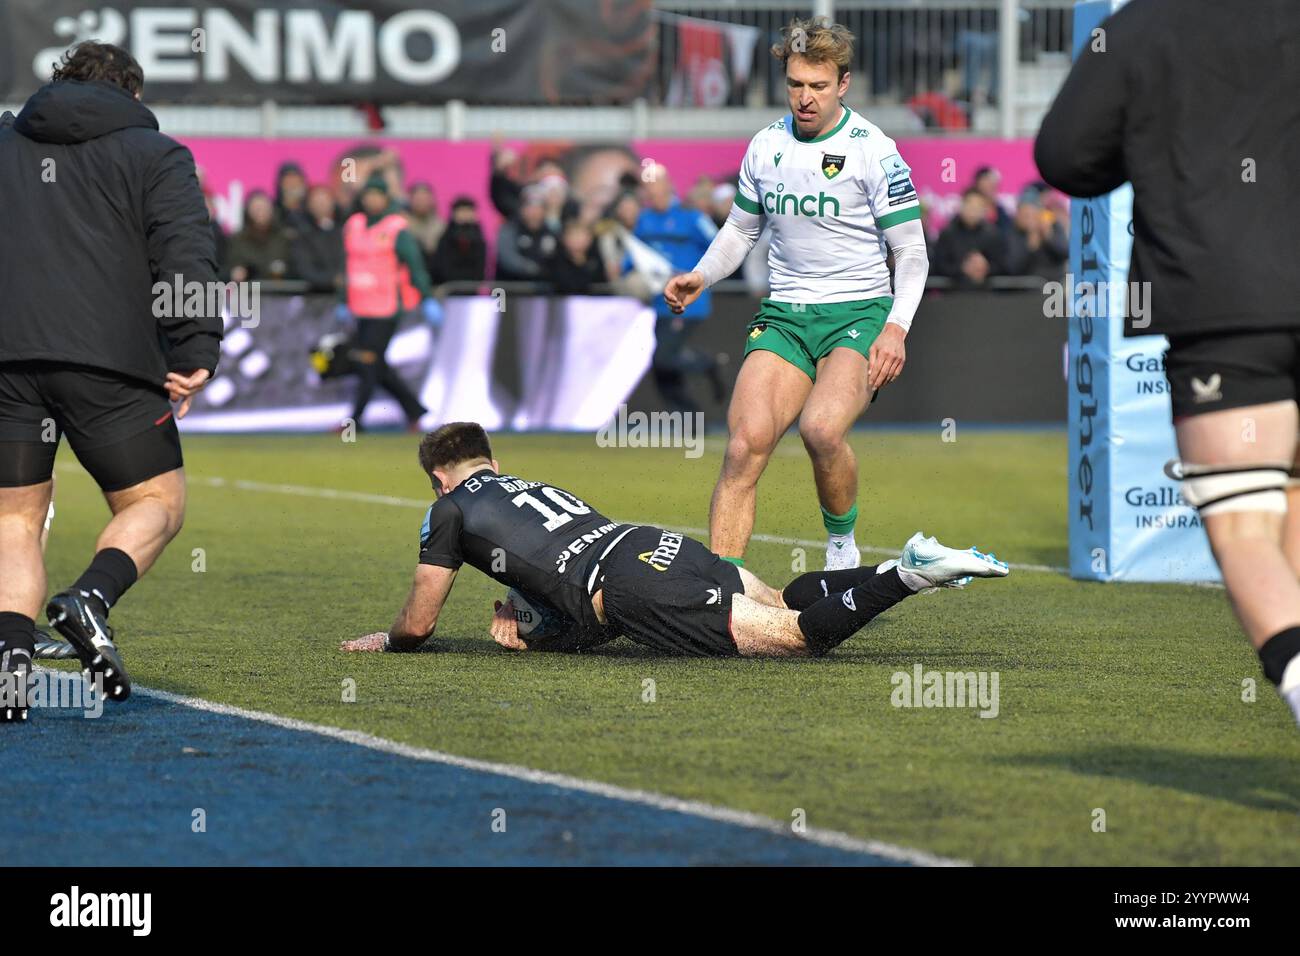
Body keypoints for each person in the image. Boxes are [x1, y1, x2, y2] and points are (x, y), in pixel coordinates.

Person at [1035, 0, 1300, 725]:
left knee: (1246, 526)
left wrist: (1158, 145)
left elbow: (1064, 158)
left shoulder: (1141, 27)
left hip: (1223, 304)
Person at [340, 423, 1007, 658]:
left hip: (633, 584)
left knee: (800, 639)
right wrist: (542, 627)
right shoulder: (530, 485)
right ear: (492, 459)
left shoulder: (449, 509)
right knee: (780, 599)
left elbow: (421, 622)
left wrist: (394, 641)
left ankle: (908, 574)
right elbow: (569, 584)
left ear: (438, 477)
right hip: (655, 543)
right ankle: (894, 566)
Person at [0, 41, 222, 719]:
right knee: (156, 502)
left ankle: (11, 667)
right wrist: (194, 346)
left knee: (14, 519)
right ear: (132, 94)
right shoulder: (156, 155)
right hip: (111, 360)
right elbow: (184, 252)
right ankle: (90, 598)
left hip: (8, 360)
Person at [663, 16, 930, 572]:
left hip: (858, 314)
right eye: (795, 84)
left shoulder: (874, 151)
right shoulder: (765, 146)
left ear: (844, 84)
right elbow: (741, 230)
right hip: (785, 316)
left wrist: (896, 328)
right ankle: (721, 589)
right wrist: (701, 275)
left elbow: (910, 251)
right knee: (744, 445)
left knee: (821, 430)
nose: (805, 98)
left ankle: (840, 545)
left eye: (818, 85)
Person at [339, 174, 439, 431]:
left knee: (368, 361)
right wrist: (342, 299)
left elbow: (415, 265)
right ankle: (414, 410)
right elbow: (347, 264)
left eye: (377, 195)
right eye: (368, 194)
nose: (372, 200)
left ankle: (355, 420)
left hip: (386, 307)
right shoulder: (354, 224)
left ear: (386, 198)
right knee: (374, 363)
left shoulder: (396, 227)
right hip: (360, 306)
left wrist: (426, 297)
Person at [636, 164, 725, 415]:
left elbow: (721, 246)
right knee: (661, 367)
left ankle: (708, 365)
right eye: (648, 189)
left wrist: (695, 273)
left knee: (663, 357)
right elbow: (636, 254)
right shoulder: (644, 219)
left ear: (669, 187)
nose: (652, 194)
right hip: (658, 300)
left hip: (688, 301)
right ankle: (688, 418)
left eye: (656, 188)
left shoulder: (692, 217)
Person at [932, 188, 1004, 288]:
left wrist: (985, 267)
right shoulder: (948, 234)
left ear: (984, 210)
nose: (973, 211)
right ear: (961, 206)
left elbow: (1002, 265)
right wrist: (962, 268)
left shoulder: (993, 234)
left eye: (978, 207)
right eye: (970, 205)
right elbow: (938, 265)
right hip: (953, 294)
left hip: (986, 294)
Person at [494, 186, 559, 284]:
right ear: (522, 208)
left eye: (539, 207)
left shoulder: (551, 232)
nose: (534, 211)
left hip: (545, 290)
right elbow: (507, 258)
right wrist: (533, 269)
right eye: (529, 206)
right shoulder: (510, 229)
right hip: (513, 289)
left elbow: (559, 257)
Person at [1001, 187, 1067, 281]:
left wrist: (1048, 237)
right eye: (1025, 215)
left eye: (1033, 215)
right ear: (1017, 215)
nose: (1029, 220)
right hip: (1023, 287)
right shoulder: (1010, 233)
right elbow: (1011, 268)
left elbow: (1064, 254)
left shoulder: (1053, 226)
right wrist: (1030, 248)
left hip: (1054, 285)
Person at [289, 185, 346, 294]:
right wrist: (331, 280)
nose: (321, 204)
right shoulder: (303, 234)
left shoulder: (344, 231)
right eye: (317, 201)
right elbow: (303, 268)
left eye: (325, 200)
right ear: (309, 205)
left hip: (344, 296)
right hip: (314, 296)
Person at [226, 190, 292, 283]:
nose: (261, 211)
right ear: (248, 211)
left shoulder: (285, 238)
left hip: (280, 291)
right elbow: (231, 266)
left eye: (264, 207)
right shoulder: (237, 239)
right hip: (249, 292)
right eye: (256, 208)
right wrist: (235, 271)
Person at [429, 196, 487, 290]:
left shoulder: (480, 240)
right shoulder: (445, 239)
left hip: (472, 292)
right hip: (448, 291)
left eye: (468, 211)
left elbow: (480, 270)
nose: (465, 215)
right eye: (461, 211)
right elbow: (442, 268)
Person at [550, 221, 606, 296]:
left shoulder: (596, 259)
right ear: (565, 239)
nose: (578, 240)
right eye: (574, 235)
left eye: (581, 235)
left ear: (590, 239)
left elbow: (601, 285)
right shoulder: (556, 260)